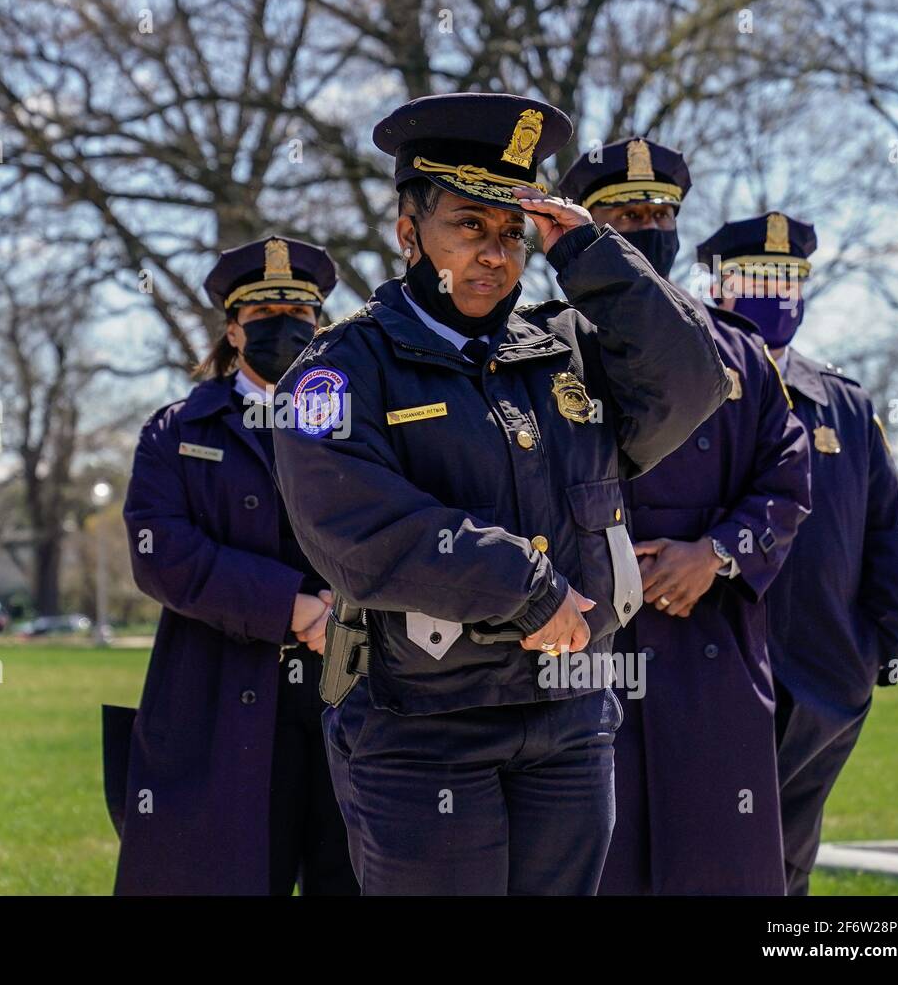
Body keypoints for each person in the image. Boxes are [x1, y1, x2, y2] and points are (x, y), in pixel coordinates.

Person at [271, 93, 729, 896]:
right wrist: (526, 588)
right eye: (469, 227)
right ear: (408, 233)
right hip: (422, 728)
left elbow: (691, 381)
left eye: (512, 233)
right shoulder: (339, 368)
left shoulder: (566, 351)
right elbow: (353, 525)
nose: (495, 254)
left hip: (572, 719)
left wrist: (590, 250)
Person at [560, 137, 812, 895]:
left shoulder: (740, 353)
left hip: (713, 658)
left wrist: (718, 553)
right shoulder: (541, 347)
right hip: (583, 654)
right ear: (587, 230)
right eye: (624, 215)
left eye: (659, 212)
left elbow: (788, 480)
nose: (648, 226)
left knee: (720, 869)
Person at [108, 236, 359, 896]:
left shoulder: (366, 422)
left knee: (360, 877)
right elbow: (162, 555)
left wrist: (346, 609)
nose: (284, 324)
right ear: (233, 327)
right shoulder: (177, 431)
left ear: (320, 324)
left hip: (352, 693)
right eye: (265, 311)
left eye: (300, 313)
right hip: (221, 696)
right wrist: (294, 609)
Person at [700, 212, 898, 896]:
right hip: (716, 672)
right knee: (714, 861)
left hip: (826, 680)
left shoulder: (846, 406)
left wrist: (880, 644)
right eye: (756, 278)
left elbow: (886, 533)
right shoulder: (692, 391)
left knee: (790, 867)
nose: (773, 294)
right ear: (718, 288)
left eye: (787, 279)